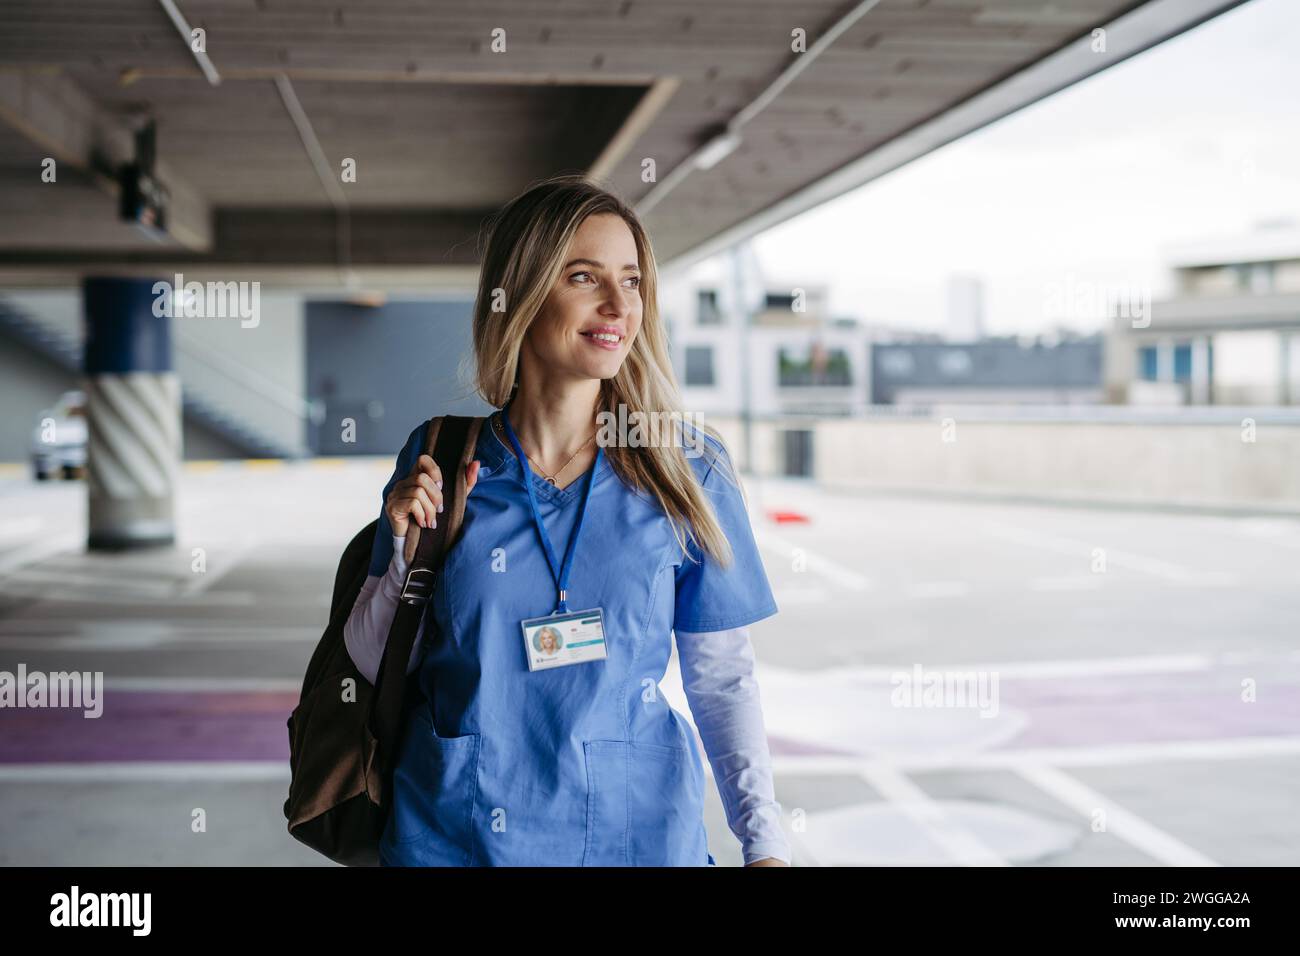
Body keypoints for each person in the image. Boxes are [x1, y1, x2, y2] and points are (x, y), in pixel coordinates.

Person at [343, 174, 790, 867]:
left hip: (638, 839)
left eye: (633, 280)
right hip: (458, 837)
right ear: (520, 293)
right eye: (585, 277)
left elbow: (721, 678)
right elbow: (375, 661)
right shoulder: (443, 455)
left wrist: (765, 845)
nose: (619, 305)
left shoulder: (689, 470)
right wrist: (404, 558)